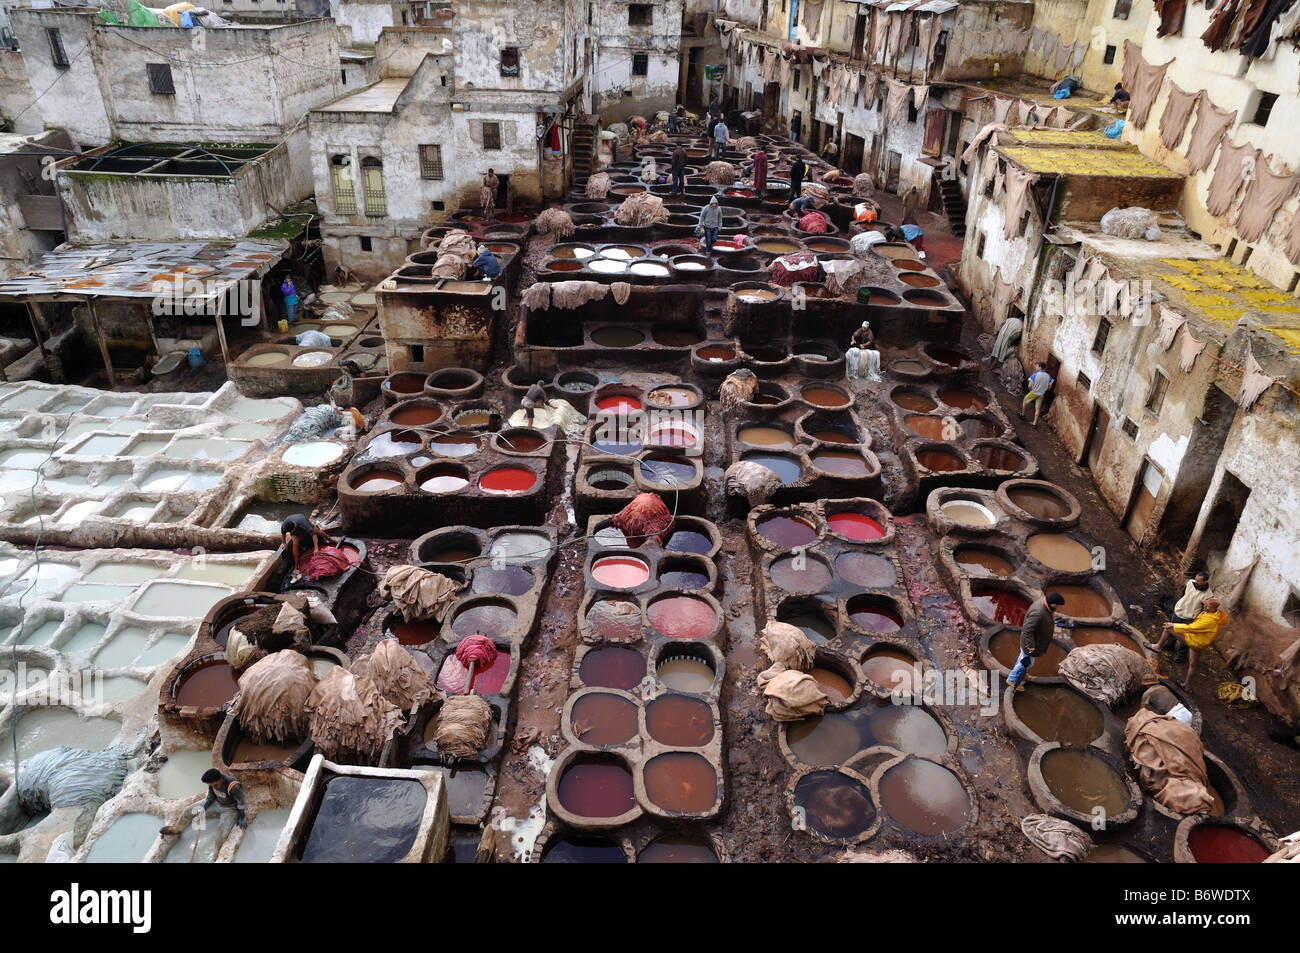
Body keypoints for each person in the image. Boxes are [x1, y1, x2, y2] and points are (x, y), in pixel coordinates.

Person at [1154, 598, 1228, 689]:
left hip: (1195, 641)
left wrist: (1173, 625)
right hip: (1201, 642)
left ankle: (1158, 646)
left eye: (1207, 606)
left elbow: (1192, 628)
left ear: (1213, 608)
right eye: (1205, 604)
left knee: (1168, 628)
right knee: (1193, 664)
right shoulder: (1214, 613)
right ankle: (1187, 686)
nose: (1204, 606)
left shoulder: (1210, 620)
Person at [1008, 592, 1070, 692]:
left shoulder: (1045, 606)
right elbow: (1027, 630)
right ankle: (1013, 681)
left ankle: (1022, 674)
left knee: (1024, 660)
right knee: (1026, 663)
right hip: (1030, 644)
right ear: (1053, 603)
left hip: (1034, 641)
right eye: (1058, 605)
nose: (1058, 607)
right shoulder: (1039, 612)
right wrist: (1031, 646)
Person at [1020, 361, 1054, 427]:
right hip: (1041, 394)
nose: (1036, 367)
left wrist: (1031, 390)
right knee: (1038, 408)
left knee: (1025, 401)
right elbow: (1050, 387)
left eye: (1037, 366)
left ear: (1040, 367)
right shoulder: (1048, 376)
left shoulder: (1035, 375)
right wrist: (1044, 390)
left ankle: (1023, 415)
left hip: (1034, 392)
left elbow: (1029, 386)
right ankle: (1034, 423)